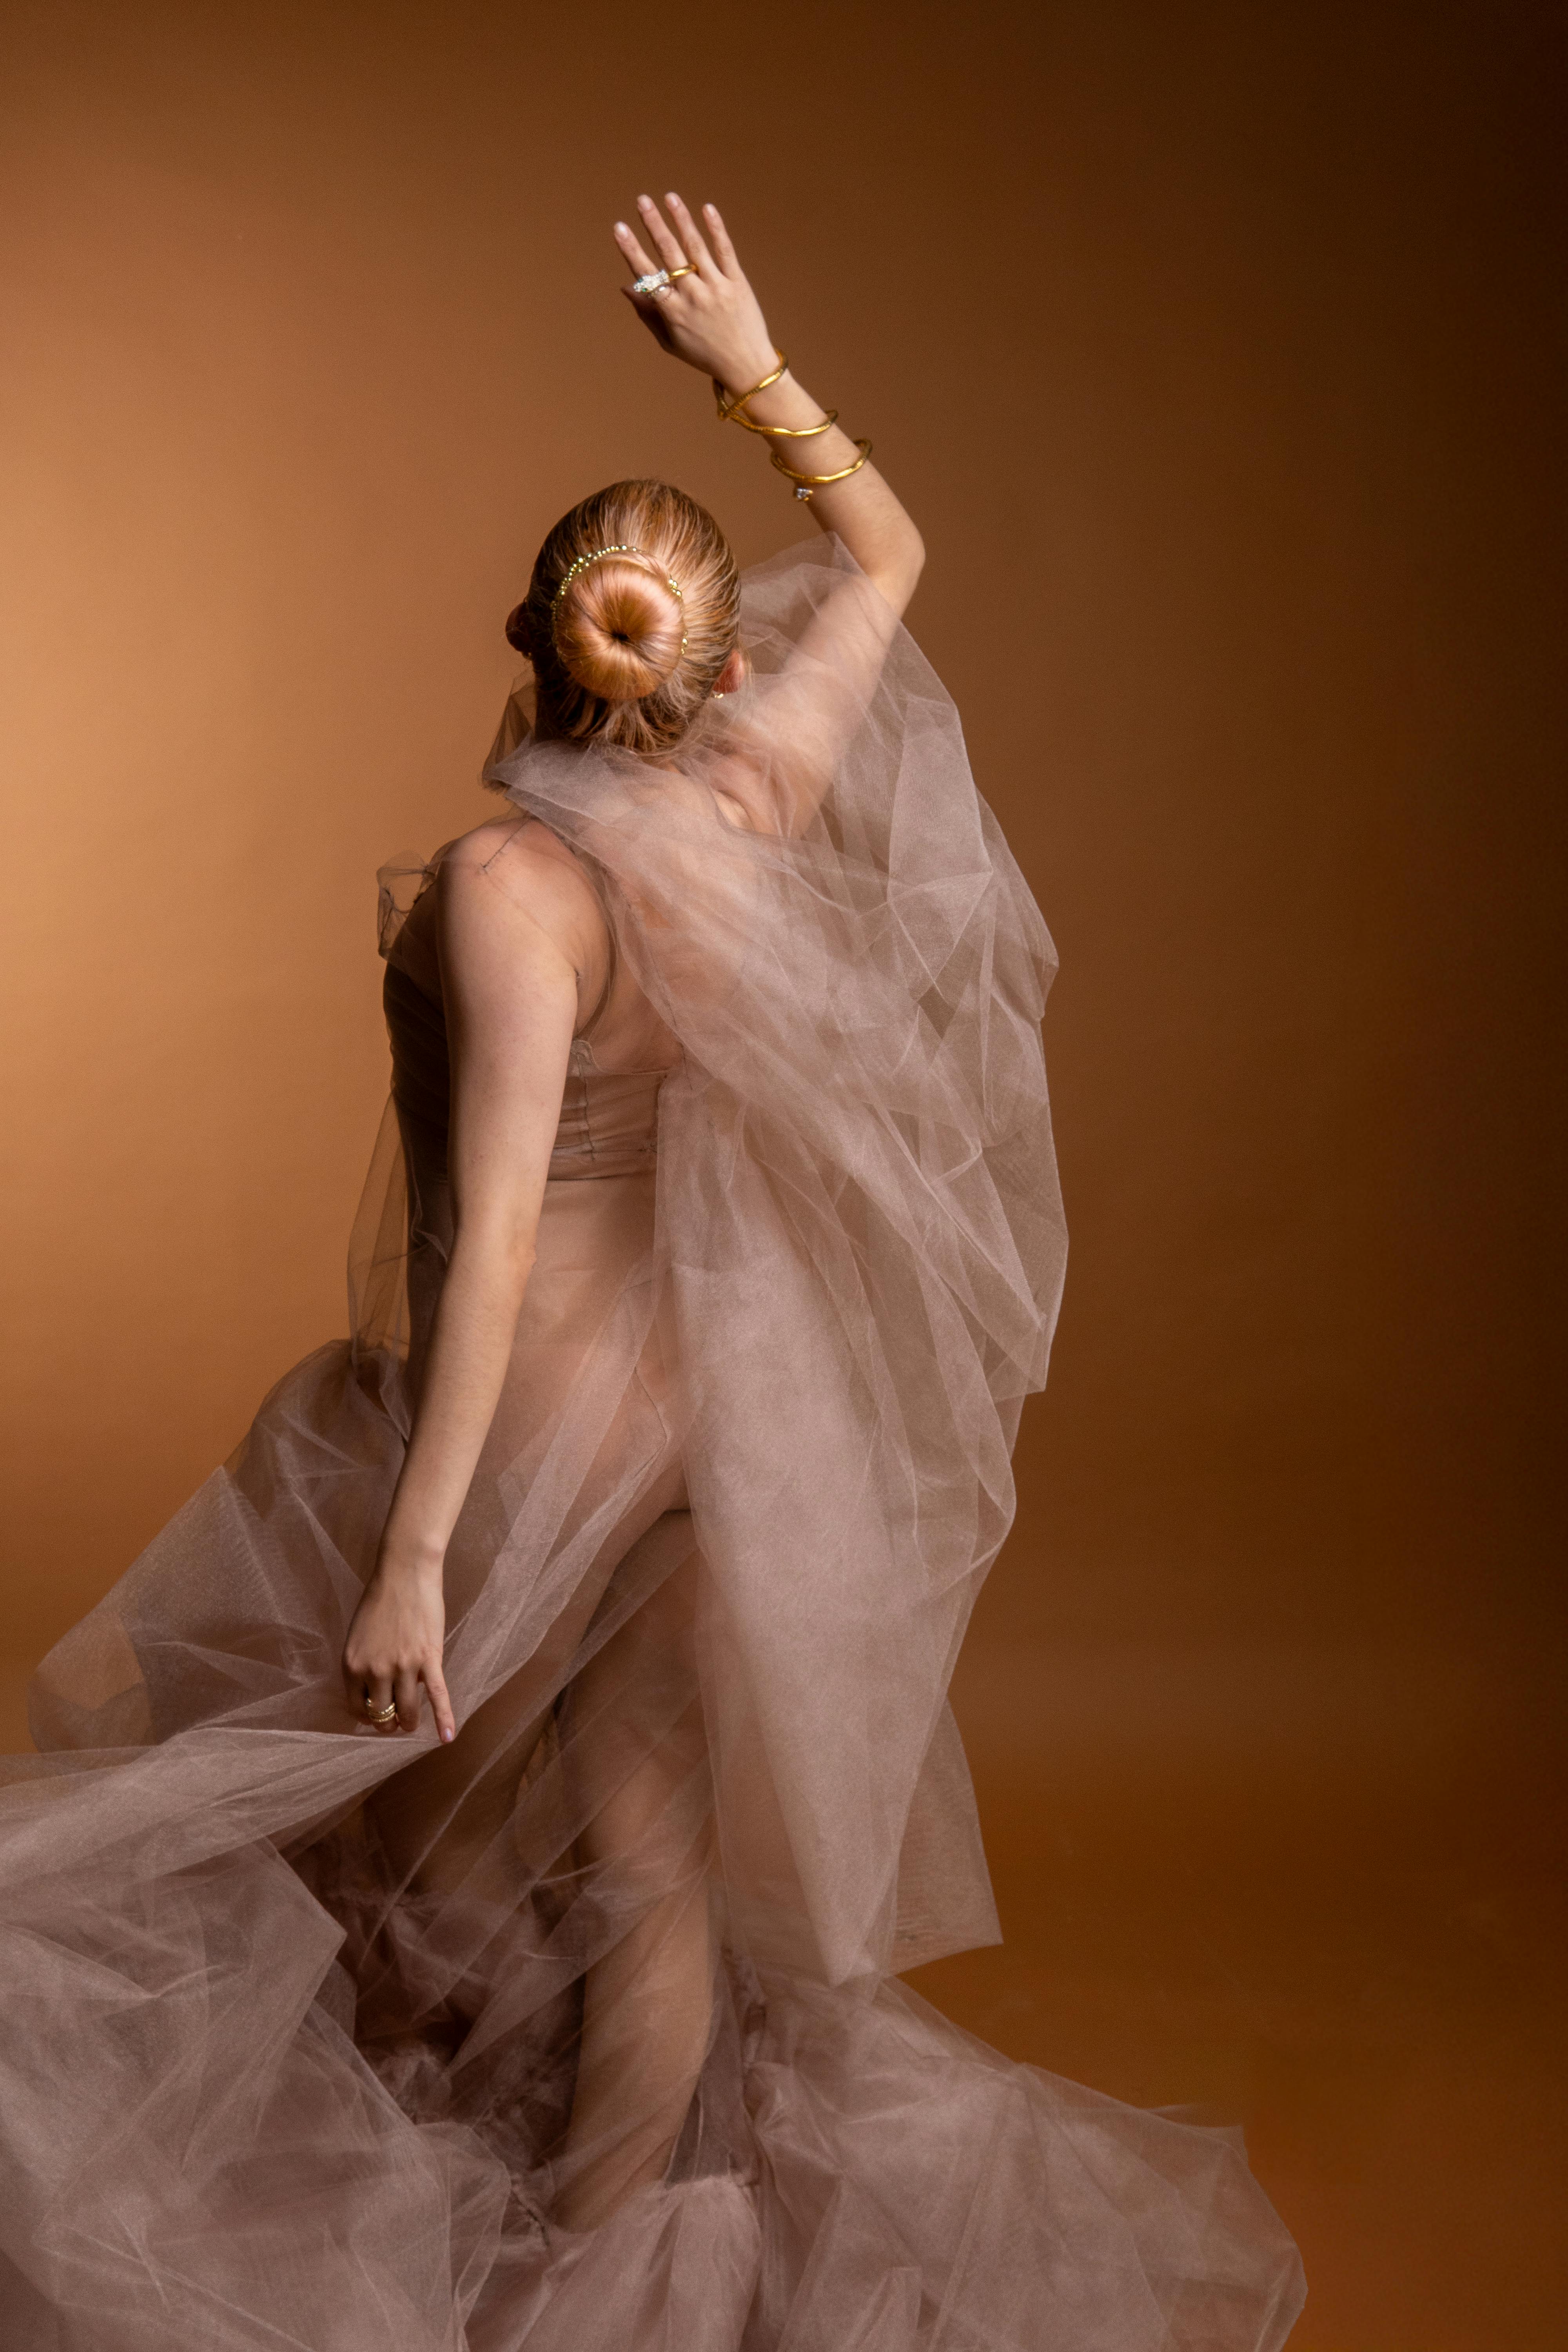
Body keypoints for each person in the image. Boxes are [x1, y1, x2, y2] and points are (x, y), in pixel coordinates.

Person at [0, 194, 1305, 2350]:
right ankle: (645, 2301)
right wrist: (753, 366)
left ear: (525, 629)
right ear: (708, 661)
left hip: (526, 1441)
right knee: (649, 1864)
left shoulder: (525, 887)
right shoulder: (753, 801)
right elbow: (885, 558)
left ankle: (516, 2296)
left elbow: (500, 1230)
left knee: (436, 1883)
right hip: (711, 1420)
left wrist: (416, 1549)